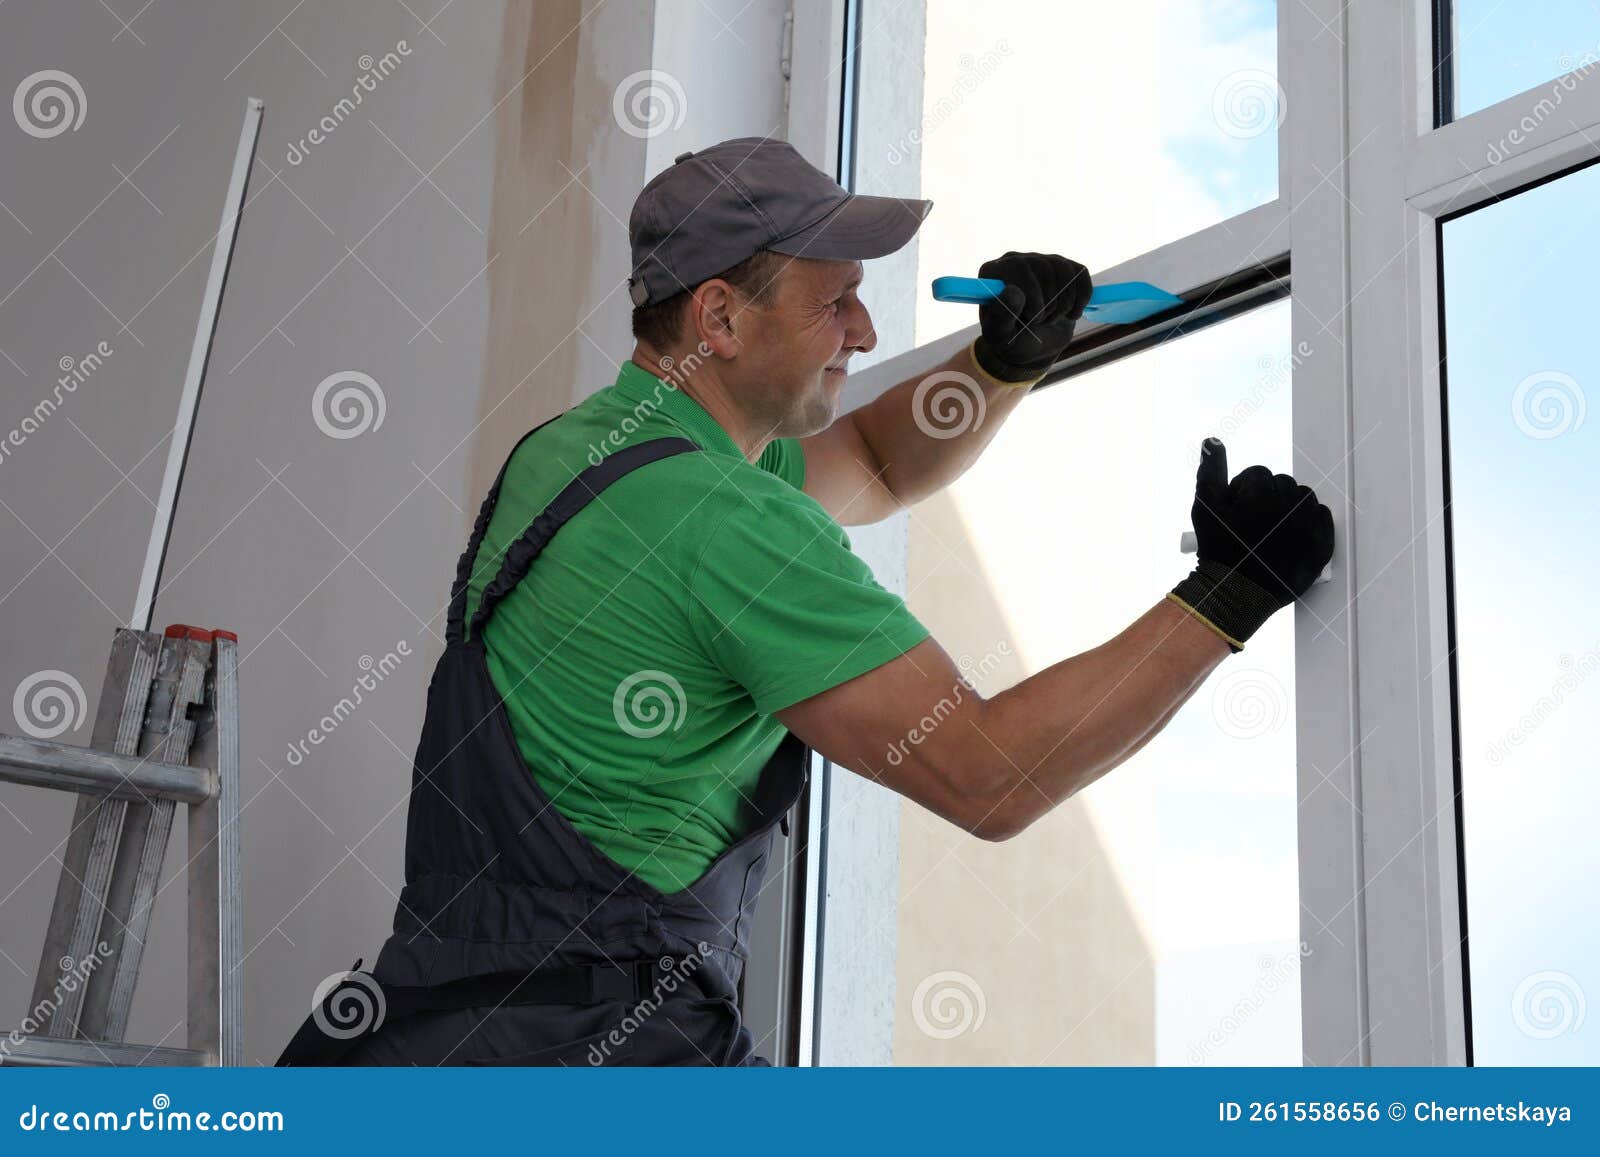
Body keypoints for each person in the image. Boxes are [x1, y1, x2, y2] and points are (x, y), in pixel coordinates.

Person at [277, 135, 1334, 1067]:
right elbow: (987, 775)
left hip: (432, 1030)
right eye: (836, 302)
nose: (866, 331)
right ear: (721, 317)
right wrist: (1222, 597)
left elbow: (873, 459)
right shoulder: (722, 524)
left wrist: (1002, 362)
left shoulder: (585, 452)